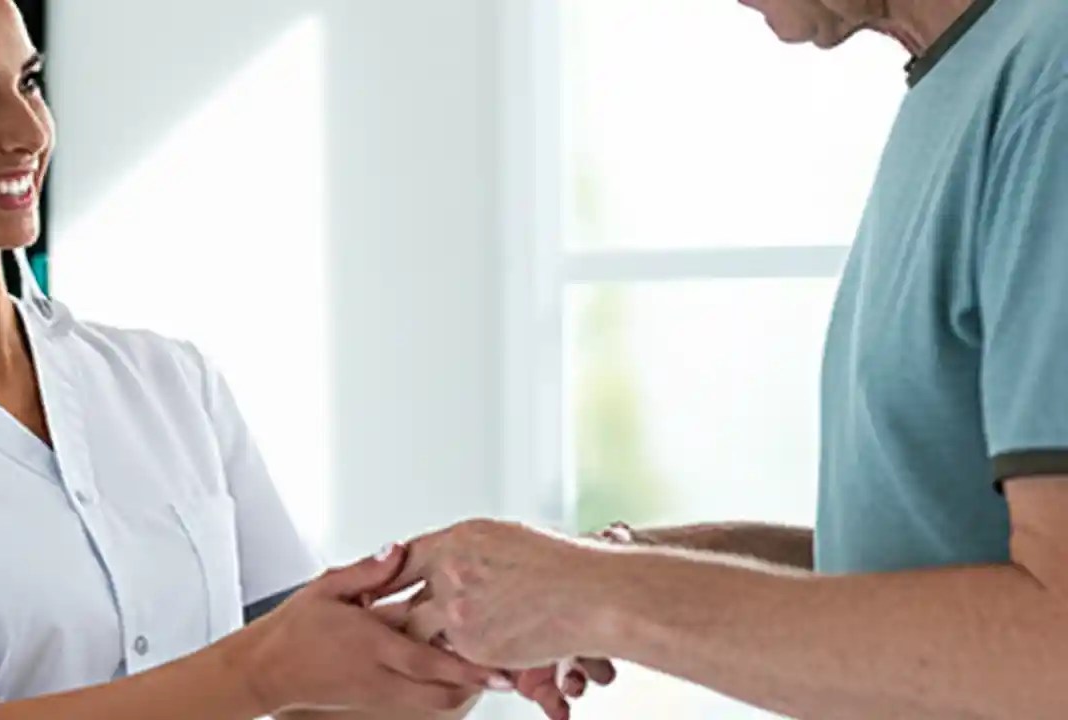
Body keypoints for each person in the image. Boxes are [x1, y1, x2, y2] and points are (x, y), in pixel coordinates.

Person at [0, 1, 613, 718]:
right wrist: (257, 672)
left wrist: (475, 642)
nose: (28, 132)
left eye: (30, 83)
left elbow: (324, 703)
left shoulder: (166, 383)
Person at [378, 0, 1068, 717]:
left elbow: (1055, 648)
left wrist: (597, 593)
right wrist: (605, 565)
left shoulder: (1051, 88)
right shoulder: (969, 75)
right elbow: (924, 561)